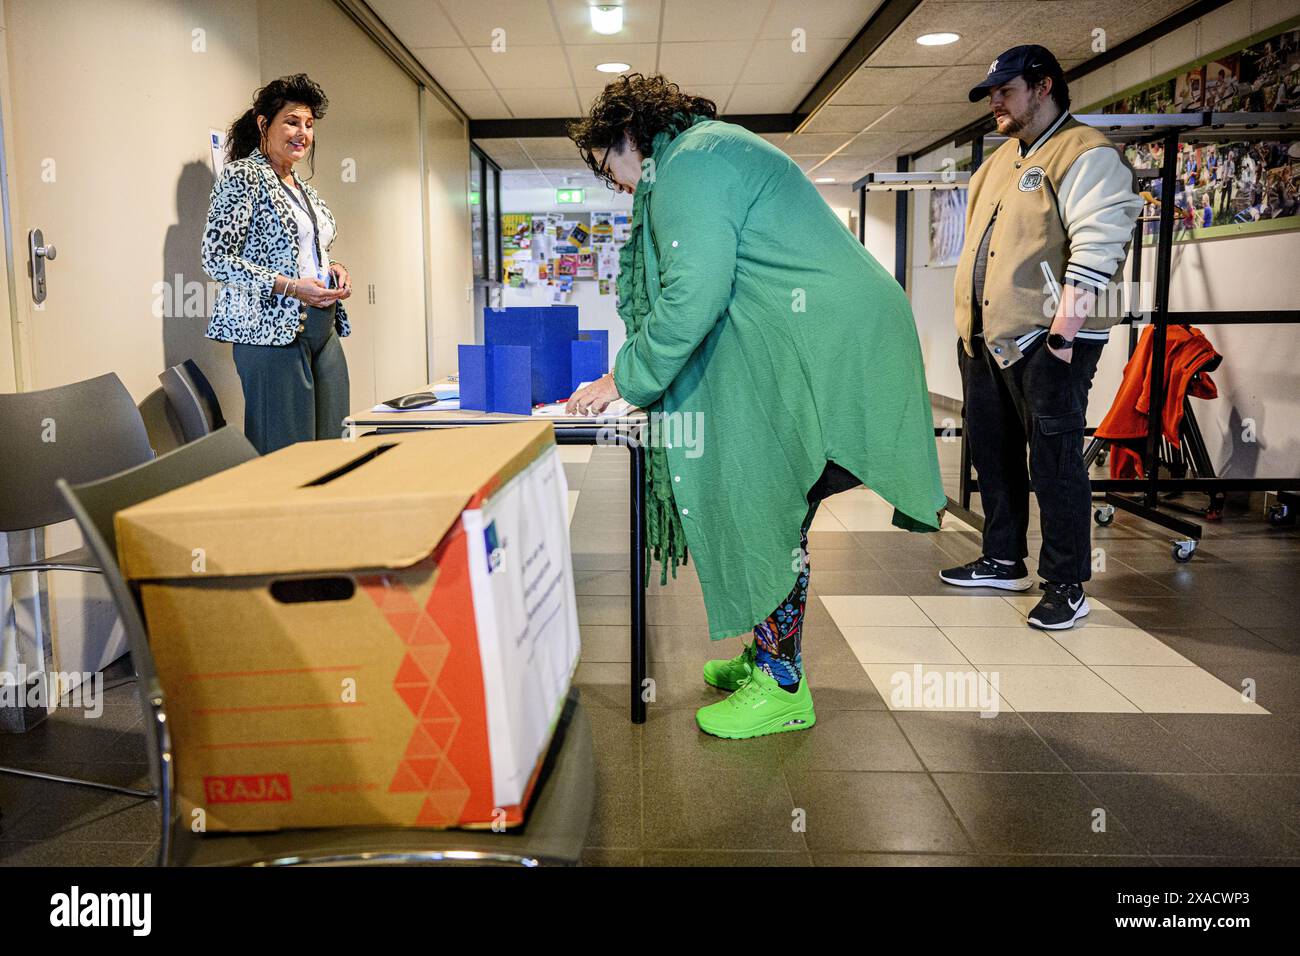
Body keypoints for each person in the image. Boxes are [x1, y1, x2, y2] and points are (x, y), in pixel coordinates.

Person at [564, 74, 945, 739]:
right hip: (832, 341)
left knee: (770, 502)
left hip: (835, 352)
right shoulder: (705, 151)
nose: (616, 186)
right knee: (776, 504)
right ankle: (771, 657)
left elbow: (694, 291)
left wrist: (625, 379)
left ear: (628, 136)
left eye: (607, 169)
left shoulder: (689, 166)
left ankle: (783, 683)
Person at [940, 46, 1142, 629]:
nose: (995, 104)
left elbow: (1099, 248)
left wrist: (1064, 336)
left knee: (1054, 462)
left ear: (1043, 86)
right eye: (992, 95)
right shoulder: (999, 162)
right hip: (986, 340)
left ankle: (1066, 582)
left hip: (1049, 341)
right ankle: (1004, 557)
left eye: (1005, 91)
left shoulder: (1086, 154)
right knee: (995, 454)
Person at [202, 73, 352, 455]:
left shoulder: (303, 188)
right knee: (286, 453)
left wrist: (334, 270)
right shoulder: (243, 177)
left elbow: (307, 251)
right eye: (291, 121)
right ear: (264, 124)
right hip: (269, 334)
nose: (302, 132)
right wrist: (290, 286)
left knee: (331, 447)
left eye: (308, 124)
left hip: (323, 328)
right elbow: (216, 258)